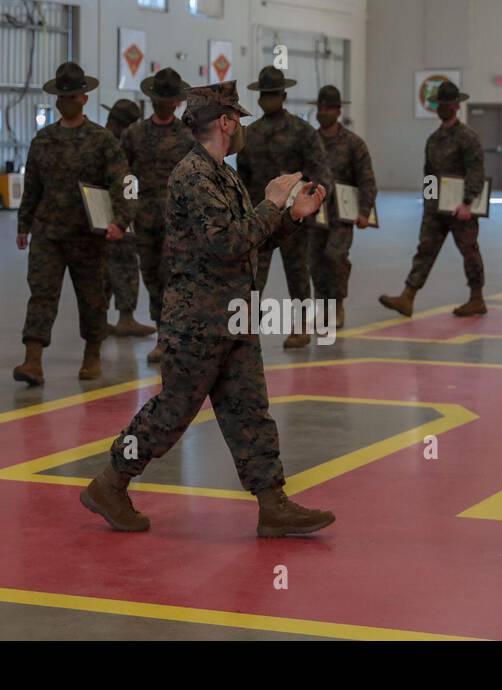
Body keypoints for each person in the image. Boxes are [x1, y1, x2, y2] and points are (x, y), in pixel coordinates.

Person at [79, 81, 336, 538]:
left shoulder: (222, 172)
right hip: (199, 321)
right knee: (172, 412)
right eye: (236, 119)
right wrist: (272, 203)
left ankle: (272, 504)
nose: (240, 127)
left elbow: (247, 239)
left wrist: (290, 216)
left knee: (249, 410)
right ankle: (111, 481)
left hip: (232, 315)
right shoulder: (193, 176)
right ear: (223, 121)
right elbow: (226, 243)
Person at [14, 62, 131, 383]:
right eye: (61, 96)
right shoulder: (43, 139)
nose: (66, 100)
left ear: (83, 98)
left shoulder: (102, 140)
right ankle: (32, 360)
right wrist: (23, 225)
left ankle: (92, 355)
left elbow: (122, 183)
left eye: (72, 95)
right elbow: (33, 186)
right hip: (48, 233)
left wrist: (120, 221)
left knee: (92, 295)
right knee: (41, 294)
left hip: (88, 235)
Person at [236, 66, 330, 348]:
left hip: (293, 215)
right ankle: (247, 326)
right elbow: (242, 177)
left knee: (297, 269)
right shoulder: (249, 133)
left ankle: (301, 326)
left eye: (273, 94)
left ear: (284, 95)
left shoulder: (303, 131)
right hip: (260, 213)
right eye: (265, 95)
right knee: (252, 273)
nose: (269, 99)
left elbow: (319, 172)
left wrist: (311, 206)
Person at [379, 80, 487, 318]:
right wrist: (427, 203)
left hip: (461, 208)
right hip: (436, 208)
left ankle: (477, 298)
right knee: (425, 250)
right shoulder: (434, 139)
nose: (442, 108)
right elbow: (428, 174)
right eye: (439, 103)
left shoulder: (468, 137)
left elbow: (475, 171)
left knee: (469, 251)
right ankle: (408, 296)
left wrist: (468, 202)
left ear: (456, 106)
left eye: (446, 103)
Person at [121, 68, 197, 362]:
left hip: (178, 221)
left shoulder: (188, 138)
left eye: (168, 99)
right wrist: (126, 210)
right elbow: (123, 175)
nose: (162, 103)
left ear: (177, 103)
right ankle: (162, 330)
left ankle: (170, 337)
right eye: (158, 98)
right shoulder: (134, 134)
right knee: (151, 276)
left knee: (172, 276)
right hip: (144, 219)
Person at [309, 84, 376, 328]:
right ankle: (323, 305)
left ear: (338, 111)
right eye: (320, 107)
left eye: (328, 108)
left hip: (342, 215)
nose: (323, 112)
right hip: (314, 213)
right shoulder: (310, 141)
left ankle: (337, 305)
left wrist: (365, 211)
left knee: (335, 256)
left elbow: (366, 179)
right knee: (315, 261)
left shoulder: (353, 144)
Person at [101, 98, 155, 338]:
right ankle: (125, 318)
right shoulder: (118, 144)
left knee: (103, 267)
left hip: (101, 212)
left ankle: (100, 318)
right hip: (117, 213)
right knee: (124, 264)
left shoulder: (100, 139)